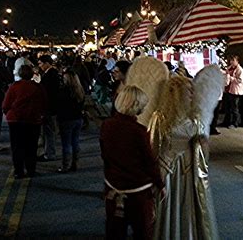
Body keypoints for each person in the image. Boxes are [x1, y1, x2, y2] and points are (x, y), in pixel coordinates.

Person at [148, 71, 222, 239]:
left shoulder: (196, 118)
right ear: (175, 92)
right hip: (166, 169)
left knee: (188, 207)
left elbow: (204, 151)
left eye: (192, 90)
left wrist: (202, 143)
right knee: (168, 207)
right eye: (188, 90)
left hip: (189, 170)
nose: (192, 94)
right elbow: (152, 147)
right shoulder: (160, 118)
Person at [100, 85, 164, 240]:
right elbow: (149, 162)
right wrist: (160, 184)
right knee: (142, 231)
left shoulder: (106, 125)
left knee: (114, 231)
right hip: (138, 192)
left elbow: (105, 155)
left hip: (113, 186)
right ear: (136, 106)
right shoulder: (138, 131)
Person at [2, 65, 46, 179]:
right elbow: (44, 102)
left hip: (16, 119)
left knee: (17, 146)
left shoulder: (14, 87)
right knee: (31, 146)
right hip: (33, 119)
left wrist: (8, 113)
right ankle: (31, 169)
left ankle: (18, 171)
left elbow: (6, 104)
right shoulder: (37, 87)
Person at [56, 69, 85, 173]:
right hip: (78, 118)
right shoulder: (80, 90)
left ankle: (65, 165)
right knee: (75, 142)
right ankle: (75, 163)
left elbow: (59, 106)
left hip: (66, 119)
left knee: (66, 144)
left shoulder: (64, 91)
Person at [37, 54, 61, 162]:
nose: (40, 66)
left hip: (49, 107)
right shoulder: (51, 73)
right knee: (48, 131)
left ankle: (49, 153)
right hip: (51, 107)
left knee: (49, 131)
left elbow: (48, 92)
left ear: (47, 63)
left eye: (41, 63)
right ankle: (48, 151)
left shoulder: (50, 75)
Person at [221, 54, 243, 128]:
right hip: (228, 90)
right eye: (231, 60)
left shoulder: (240, 70)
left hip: (235, 91)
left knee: (234, 108)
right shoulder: (229, 68)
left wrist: (231, 78)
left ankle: (235, 123)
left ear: (237, 61)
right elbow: (226, 73)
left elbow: (240, 80)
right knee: (227, 107)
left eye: (233, 60)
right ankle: (226, 122)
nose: (231, 62)